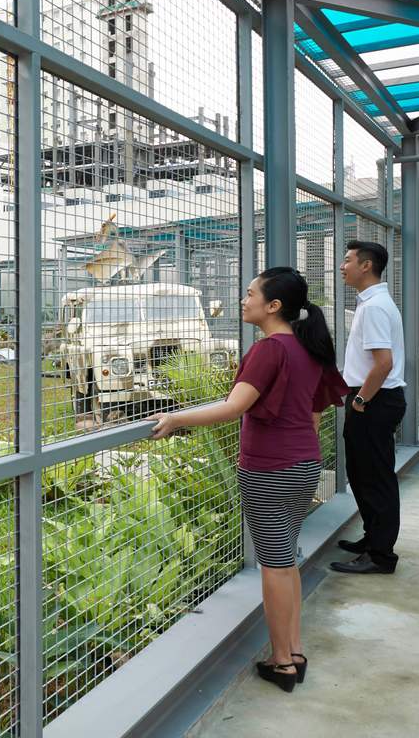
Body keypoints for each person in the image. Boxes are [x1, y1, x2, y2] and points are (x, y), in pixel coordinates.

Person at [148, 268, 347, 693]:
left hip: (268, 470)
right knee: (286, 559)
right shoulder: (309, 348)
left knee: (274, 566)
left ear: (273, 306)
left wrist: (175, 417)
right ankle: (293, 650)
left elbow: (234, 406)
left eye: (250, 293)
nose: (243, 299)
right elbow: (315, 413)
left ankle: (281, 663)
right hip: (303, 464)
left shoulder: (268, 350)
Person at [332, 240, 407, 575]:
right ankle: (372, 539)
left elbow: (383, 363)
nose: (341, 265)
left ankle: (380, 556)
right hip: (372, 400)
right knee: (363, 476)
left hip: (374, 401)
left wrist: (360, 399)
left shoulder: (375, 306)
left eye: (347, 260)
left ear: (366, 265)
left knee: (375, 479)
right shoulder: (371, 302)